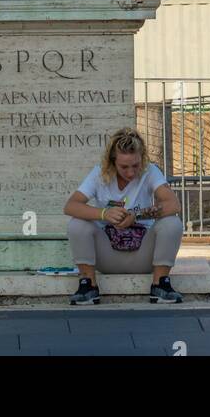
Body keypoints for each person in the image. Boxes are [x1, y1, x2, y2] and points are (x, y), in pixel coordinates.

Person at [64, 127, 184, 305]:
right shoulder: (99, 174)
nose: (130, 172)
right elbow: (70, 206)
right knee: (77, 224)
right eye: (124, 167)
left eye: (135, 165)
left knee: (172, 223)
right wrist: (104, 214)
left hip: (143, 255)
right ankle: (88, 285)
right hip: (108, 256)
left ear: (142, 158)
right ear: (112, 161)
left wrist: (135, 216)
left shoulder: (149, 171)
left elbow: (173, 204)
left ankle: (160, 285)